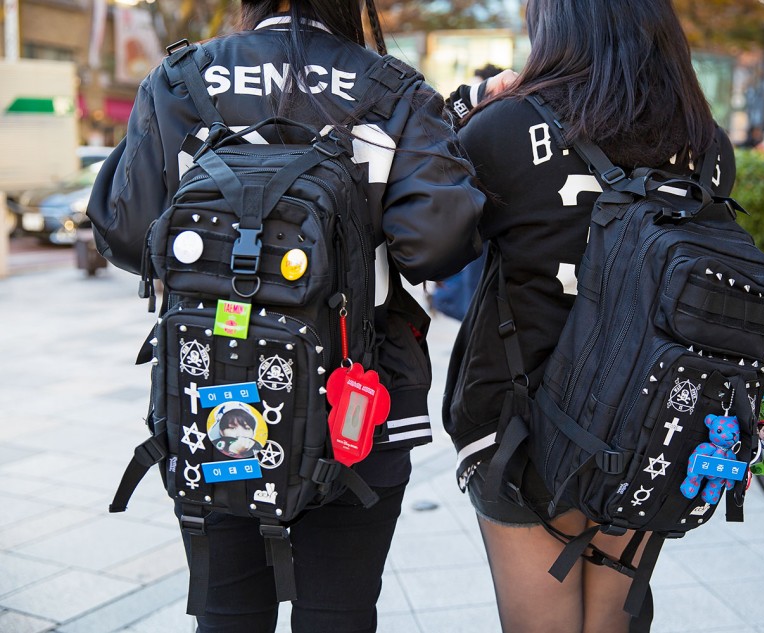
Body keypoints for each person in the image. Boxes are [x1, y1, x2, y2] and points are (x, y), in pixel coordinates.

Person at [88, 0, 485, 631]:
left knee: (227, 612)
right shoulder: (395, 89)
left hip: (212, 394)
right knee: (339, 612)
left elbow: (124, 232)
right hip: (357, 407)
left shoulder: (181, 81)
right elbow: (435, 247)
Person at [442, 1, 736, 631]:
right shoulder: (706, 144)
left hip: (519, 425)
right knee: (612, 621)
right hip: (654, 418)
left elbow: (429, 238)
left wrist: (466, 103)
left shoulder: (504, 128)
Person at [428, 63, 503, 321]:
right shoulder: (472, 128)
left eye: (481, 87)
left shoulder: (492, 128)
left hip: (484, 224)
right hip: (471, 223)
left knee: (475, 297)